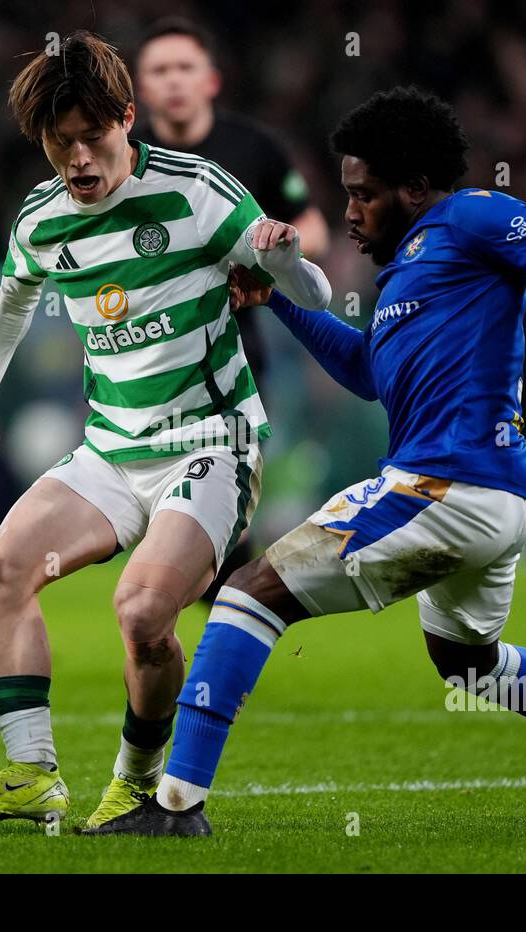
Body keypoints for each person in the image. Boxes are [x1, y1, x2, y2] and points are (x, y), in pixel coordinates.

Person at [87, 87, 526, 837]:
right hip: (492, 500)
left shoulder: (472, 216)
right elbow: (369, 373)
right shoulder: (408, 274)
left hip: (449, 484)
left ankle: (175, 805)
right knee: (471, 665)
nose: (351, 212)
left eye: (364, 195)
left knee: (249, 594)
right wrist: (280, 301)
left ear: (418, 187)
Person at [0, 31, 331, 830]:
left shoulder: (199, 191)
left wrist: (286, 260)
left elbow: (317, 295)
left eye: (91, 138)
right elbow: (14, 299)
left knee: (143, 614)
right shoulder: (45, 218)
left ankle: (136, 780)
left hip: (211, 445)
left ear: (127, 118)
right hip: (113, 451)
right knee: (2, 571)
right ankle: (32, 773)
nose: (78, 160)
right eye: (59, 146)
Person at [133, 16, 330, 602]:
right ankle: (214, 618)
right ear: (141, 88)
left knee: (220, 508)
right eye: (160, 71)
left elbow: (313, 227)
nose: (173, 81)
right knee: (157, 505)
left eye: (184, 68)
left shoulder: (255, 147)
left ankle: (220, 619)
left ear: (211, 80)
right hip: (144, 356)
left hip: (232, 354)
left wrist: (272, 252)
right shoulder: (124, 158)